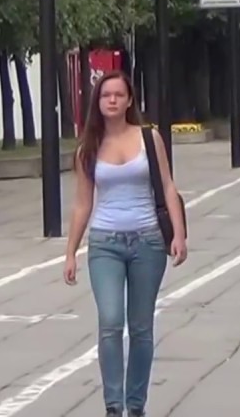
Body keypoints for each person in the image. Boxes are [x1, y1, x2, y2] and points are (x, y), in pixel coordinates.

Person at [62, 71, 187, 417]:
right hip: (105, 243)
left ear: (130, 100)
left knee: (142, 326)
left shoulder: (150, 138)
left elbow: (167, 186)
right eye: (106, 96)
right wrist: (70, 252)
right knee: (111, 320)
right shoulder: (88, 147)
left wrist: (178, 235)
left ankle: (136, 404)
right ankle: (113, 404)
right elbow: (82, 203)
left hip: (147, 240)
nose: (112, 100)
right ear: (97, 102)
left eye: (119, 95)